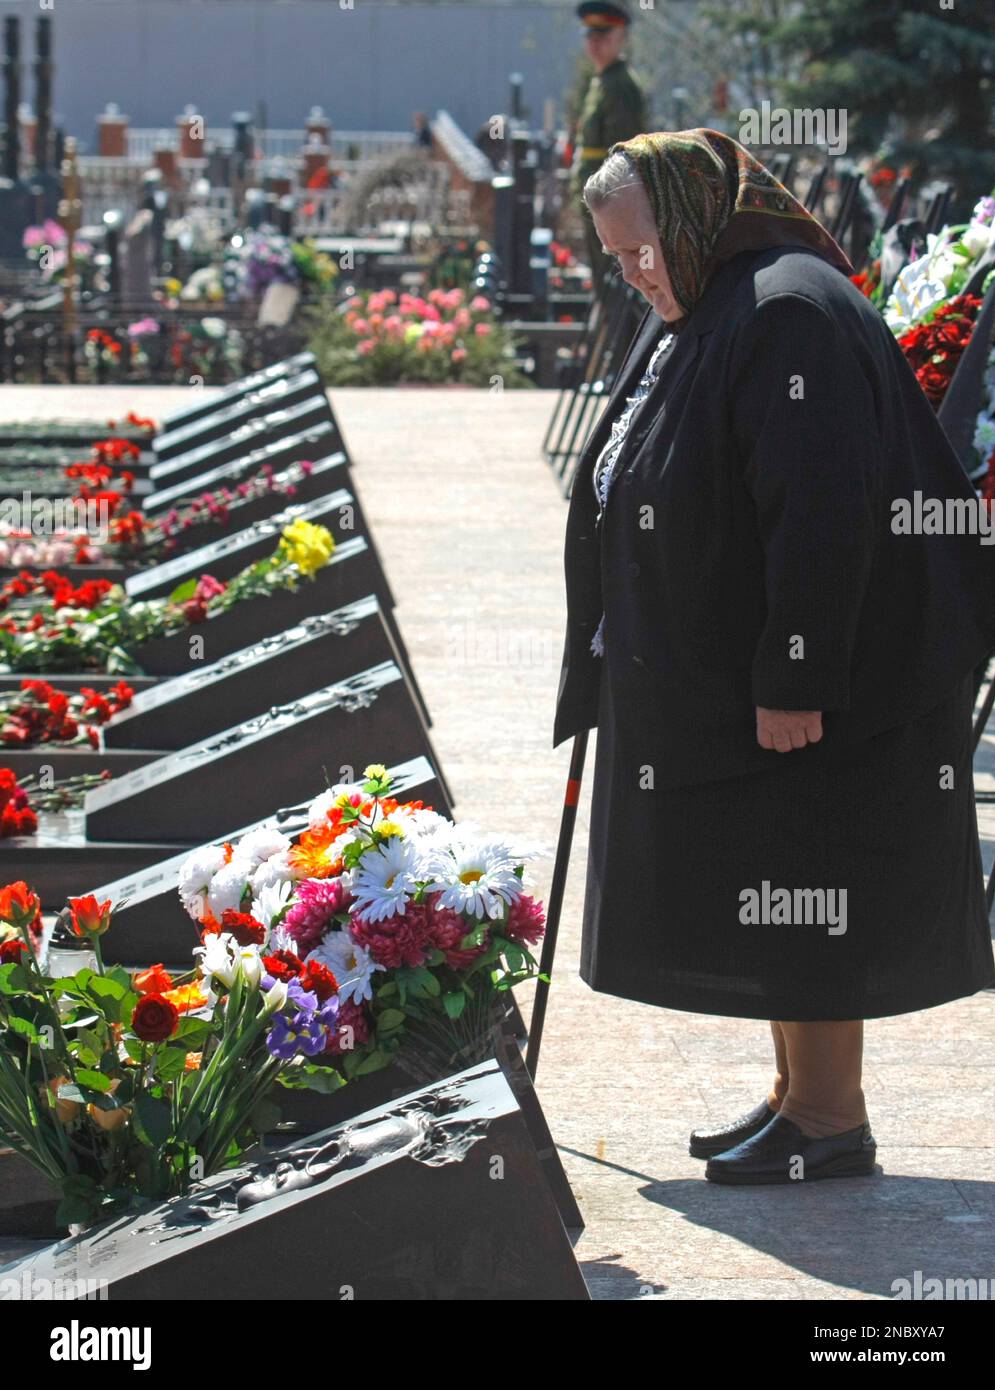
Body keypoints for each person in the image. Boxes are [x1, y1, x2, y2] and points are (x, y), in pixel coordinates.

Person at [553, 128, 995, 1185]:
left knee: (806, 875)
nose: (632, 275)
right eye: (615, 259)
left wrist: (793, 673)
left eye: (637, 251)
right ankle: (796, 1098)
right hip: (759, 666)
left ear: (693, 215)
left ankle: (830, 1118)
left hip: (834, 672)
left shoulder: (784, 311)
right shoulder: (725, 291)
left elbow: (822, 511)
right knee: (774, 873)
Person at [570, 1, 647, 299]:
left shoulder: (621, 86)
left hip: (608, 201)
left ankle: (623, 347)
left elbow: (623, 157)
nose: (595, 43)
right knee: (605, 287)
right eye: (590, 35)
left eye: (604, 35)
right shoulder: (602, 81)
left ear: (621, 36)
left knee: (616, 287)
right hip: (595, 199)